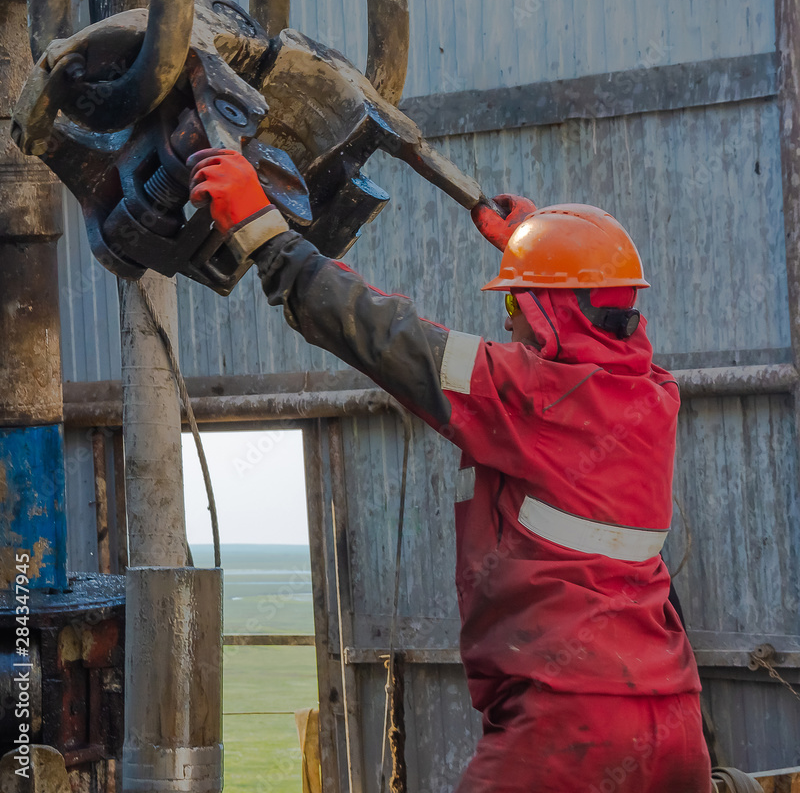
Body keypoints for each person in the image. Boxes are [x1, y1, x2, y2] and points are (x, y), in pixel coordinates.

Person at [188, 148, 712, 793]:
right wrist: (536, 245)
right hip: (676, 727)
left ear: (548, 314)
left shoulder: (527, 392)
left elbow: (391, 339)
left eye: (516, 307)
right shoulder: (653, 393)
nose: (508, 322)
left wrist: (263, 232)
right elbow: (590, 313)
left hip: (571, 726)